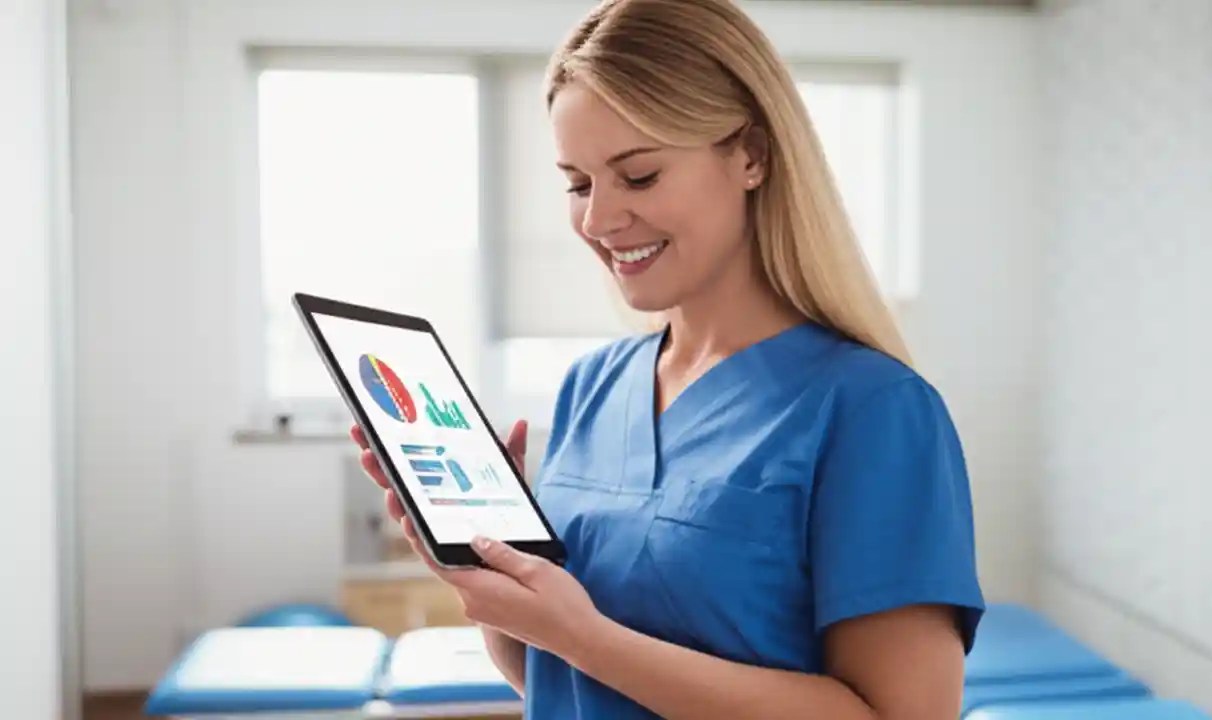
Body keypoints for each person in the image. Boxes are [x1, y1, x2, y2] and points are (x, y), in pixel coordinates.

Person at [352, 0, 984, 716]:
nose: (598, 219)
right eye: (578, 183)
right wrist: (488, 582)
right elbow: (561, 684)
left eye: (640, 176)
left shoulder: (873, 410)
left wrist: (586, 637)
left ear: (751, 156)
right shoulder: (592, 386)